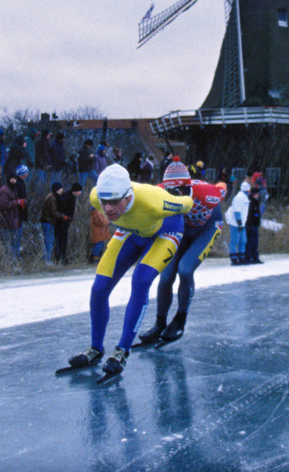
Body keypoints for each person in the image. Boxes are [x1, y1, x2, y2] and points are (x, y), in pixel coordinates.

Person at [65, 164, 194, 380]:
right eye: (105, 202)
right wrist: (111, 203)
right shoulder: (96, 196)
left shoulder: (153, 201)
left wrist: (192, 194)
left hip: (166, 231)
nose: (108, 209)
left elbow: (186, 203)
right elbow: (107, 203)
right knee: (99, 289)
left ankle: (122, 351)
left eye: (114, 202)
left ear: (128, 196)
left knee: (141, 280)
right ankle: (96, 349)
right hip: (131, 232)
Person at [139, 158, 224, 346]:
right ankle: (160, 323)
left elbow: (220, 196)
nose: (177, 195)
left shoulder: (208, 193)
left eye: (181, 191)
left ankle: (180, 319)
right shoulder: (158, 191)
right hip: (182, 230)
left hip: (207, 228)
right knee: (166, 275)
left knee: (185, 269)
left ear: (188, 186)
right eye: (171, 191)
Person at [0, 172, 27, 265]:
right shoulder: (4, 190)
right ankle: (7, 263)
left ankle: (12, 263)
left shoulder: (14, 189)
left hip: (14, 221)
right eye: (11, 179)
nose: (13, 181)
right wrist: (16, 202)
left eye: (15, 179)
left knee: (13, 243)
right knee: (7, 244)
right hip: (6, 221)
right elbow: (2, 204)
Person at [40, 183, 70, 264]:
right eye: (60, 189)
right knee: (49, 241)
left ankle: (47, 259)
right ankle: (47, 260)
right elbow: (53, 212)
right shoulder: (52, 198)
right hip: (48, 222)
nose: (62, 190)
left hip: (49, 221)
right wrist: (63, 216)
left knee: (49, 241)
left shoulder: (52, 196)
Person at [55, 182, 83, 263]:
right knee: (61, 240)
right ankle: (61, 257)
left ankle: (61, 257)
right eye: (79, 191)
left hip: (65, 221)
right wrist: (65, 217)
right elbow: (62, 209)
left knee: (62, 240)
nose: (80, 193)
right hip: (62, 221)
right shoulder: (67, 197)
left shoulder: (70, 196)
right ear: (76, 191)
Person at [226, 181, 251, 265]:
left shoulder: (244, 197)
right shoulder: (239, 198)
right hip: (236, 223)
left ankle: (241, 257)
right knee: (234, 241)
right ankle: (234, 259)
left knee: (243, 241)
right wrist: (239, 222)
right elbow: (237, 211)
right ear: (247, 190)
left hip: (241, 223)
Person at [244, 172, 265, 264]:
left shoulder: (255, 202)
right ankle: (250, 257)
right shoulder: (251, 202)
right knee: (250, 242)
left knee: (254, 242)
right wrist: (251, 223)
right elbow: (250, 214)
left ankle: (254, 257)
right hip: (251, 225)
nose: (258, 195)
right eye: (257, 194)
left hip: (254, 224)